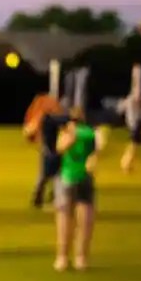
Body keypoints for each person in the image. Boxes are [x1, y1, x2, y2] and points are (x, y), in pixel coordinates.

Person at [53, 108, 97, 272]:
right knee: (85, 218)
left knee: (64, 217)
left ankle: (62, 257)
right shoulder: (90, 133)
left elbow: (59, 148)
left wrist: (69, 134)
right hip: (85, 177)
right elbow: (94, 153)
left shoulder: (67, 132)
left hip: (67, 177)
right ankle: (81, 258)